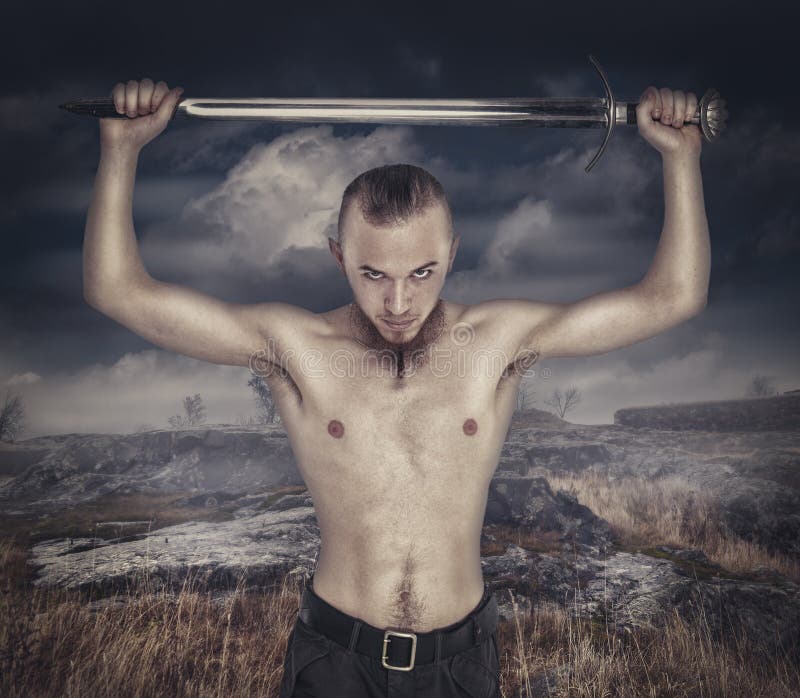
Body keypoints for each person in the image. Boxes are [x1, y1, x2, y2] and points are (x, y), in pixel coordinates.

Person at [83, 78, 710, 697]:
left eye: (422, 271)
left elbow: (672, 297)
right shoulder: (294, 346)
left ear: (453, 252)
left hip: (459, 662)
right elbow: (118, 290)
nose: (399, 301)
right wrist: (122, 149)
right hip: (333, 660)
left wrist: (680, 158)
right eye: (373, 274)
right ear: (337, 257)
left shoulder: (498, 341)